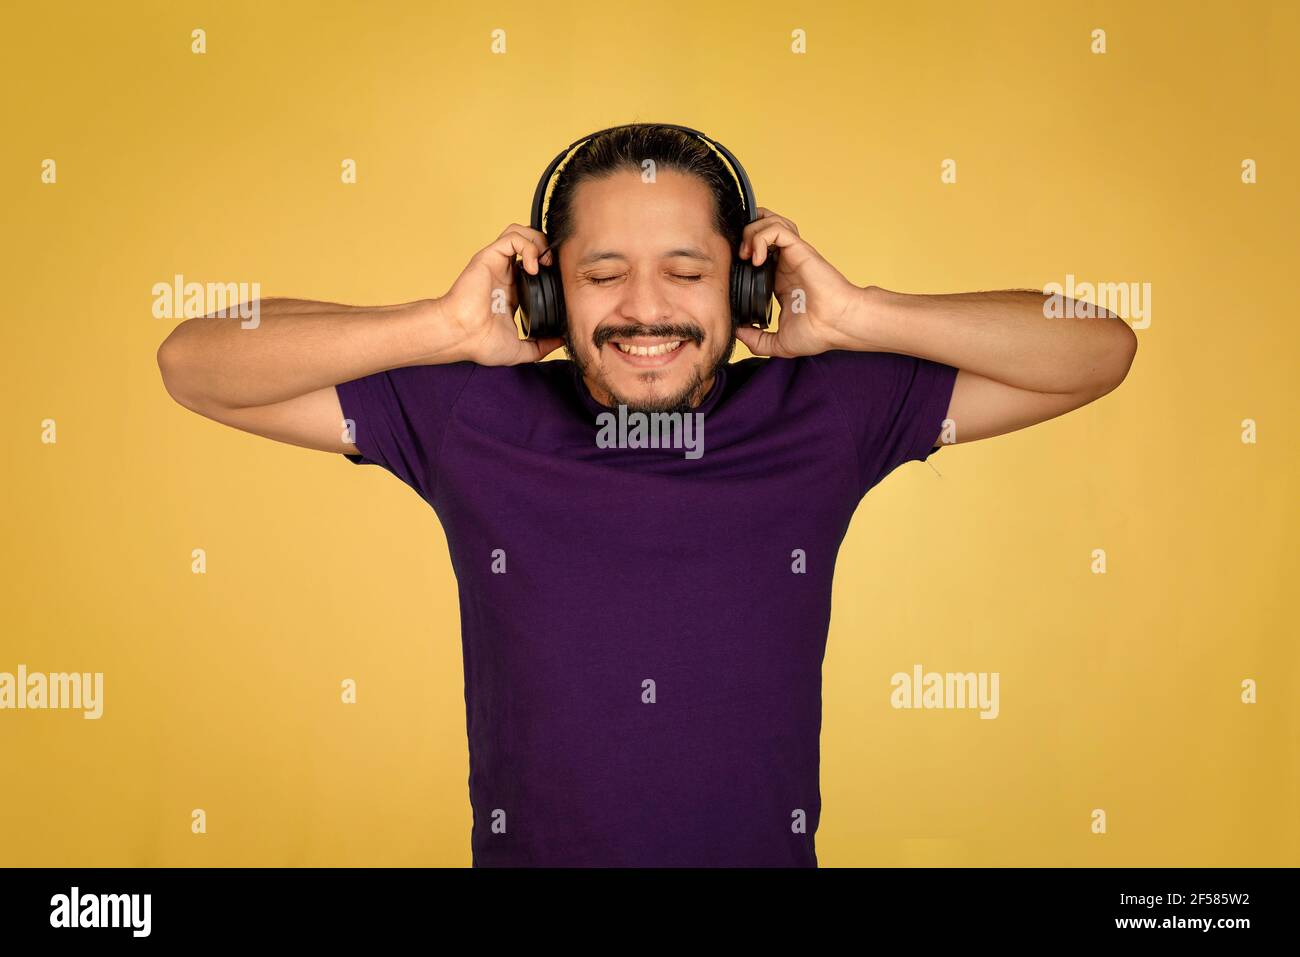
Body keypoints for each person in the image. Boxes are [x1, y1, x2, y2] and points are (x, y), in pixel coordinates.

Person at [156, 123, 1137, 866]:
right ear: (548, 293)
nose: (645, 310)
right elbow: (196, 361)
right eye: (601, 274)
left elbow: (1095, 348)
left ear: (745, 287)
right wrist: (436, 327)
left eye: (686, 271)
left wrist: (859, 311)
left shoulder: (828, 406)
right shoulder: (470, 413)